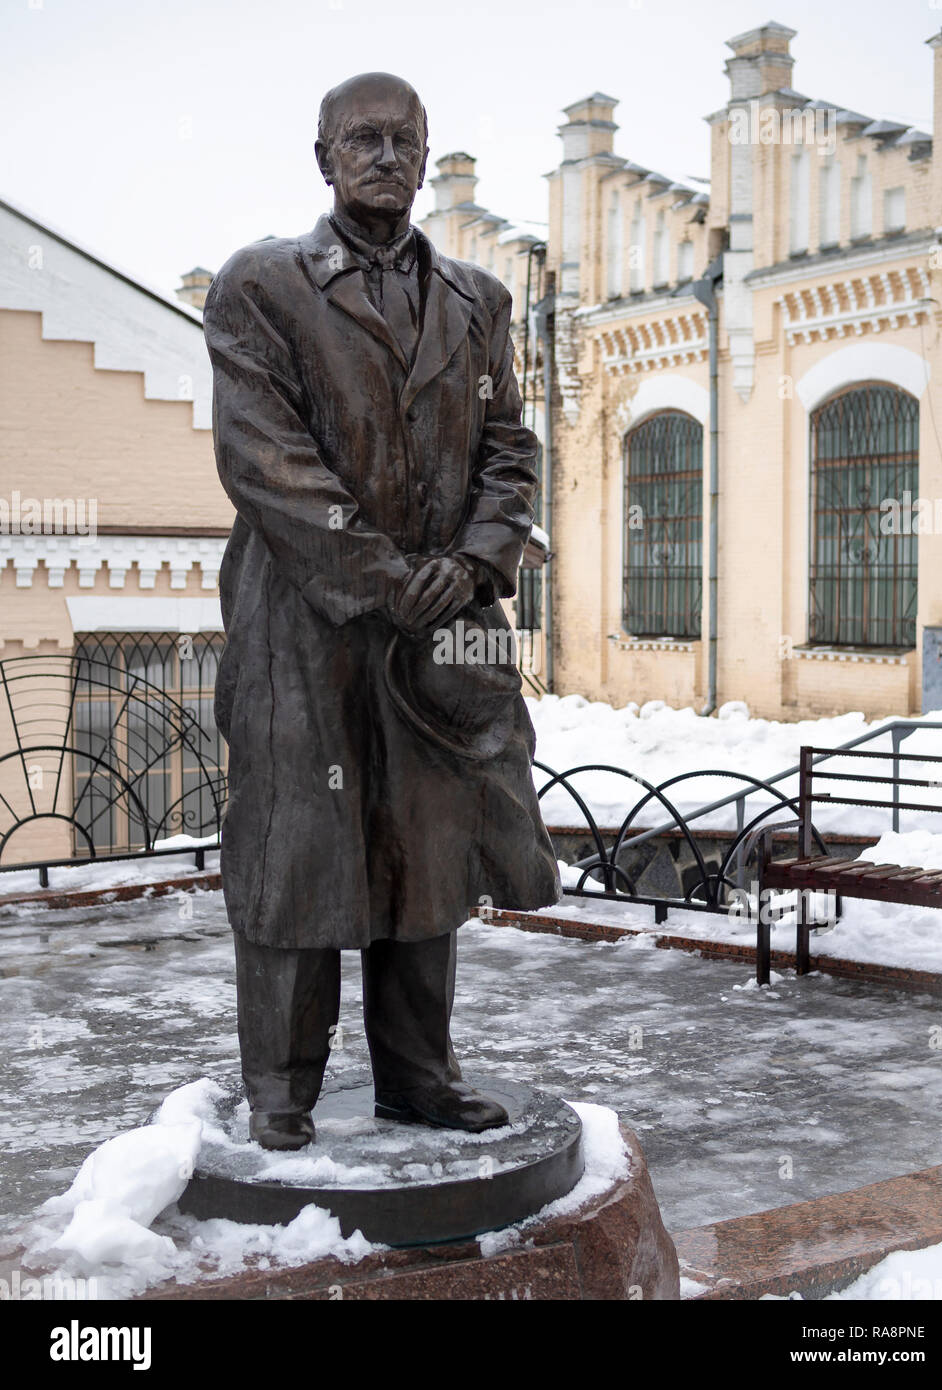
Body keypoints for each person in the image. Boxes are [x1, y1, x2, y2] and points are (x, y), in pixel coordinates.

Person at [203, 72, 560, 1151]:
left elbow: (510, 448)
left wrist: (478, 558)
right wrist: (384, 576)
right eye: (362, 138)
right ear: (323, 157)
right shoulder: (261, 284)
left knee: (426, 844)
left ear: (426, 154)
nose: (386, 156)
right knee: (298, 848)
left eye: (405, 139)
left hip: (439, 627)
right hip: (303, 623)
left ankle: (418, 1076)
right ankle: (282, 1086)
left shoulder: (476, 300)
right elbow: (265, 459)